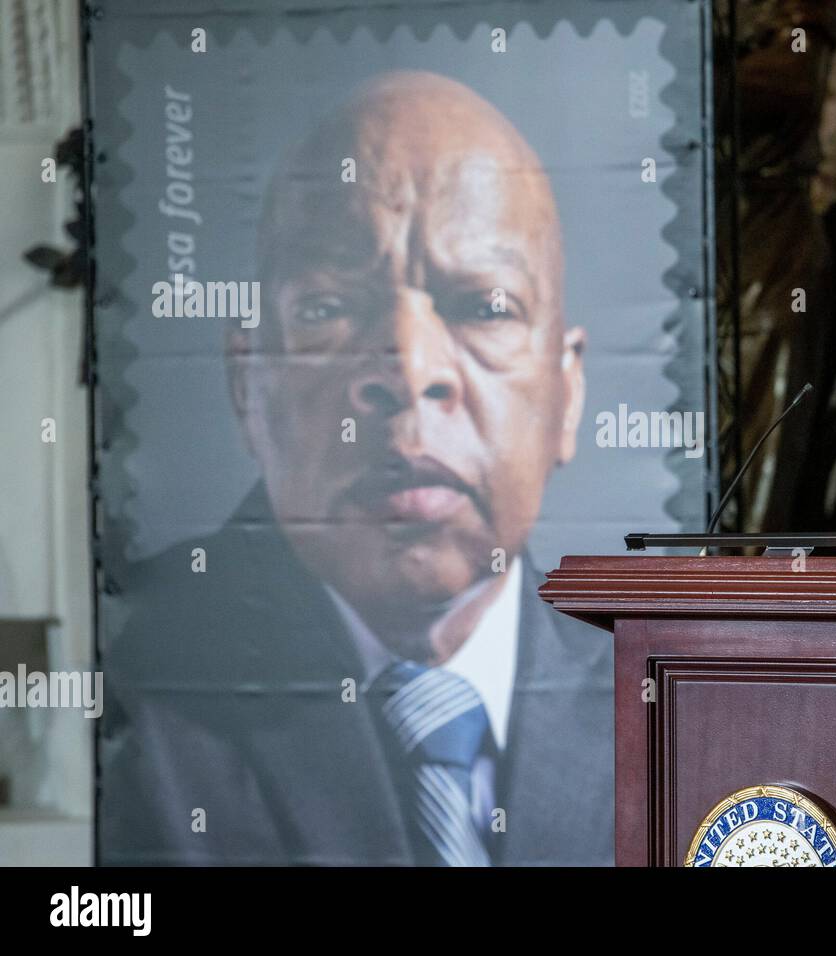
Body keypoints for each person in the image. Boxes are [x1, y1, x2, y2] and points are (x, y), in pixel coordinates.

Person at [100, 72, 612, 865]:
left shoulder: (675, 707)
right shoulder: (116, 695)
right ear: (248, 388)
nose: (409, 370)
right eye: (330, 308)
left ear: (568, 394)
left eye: (484, 307)